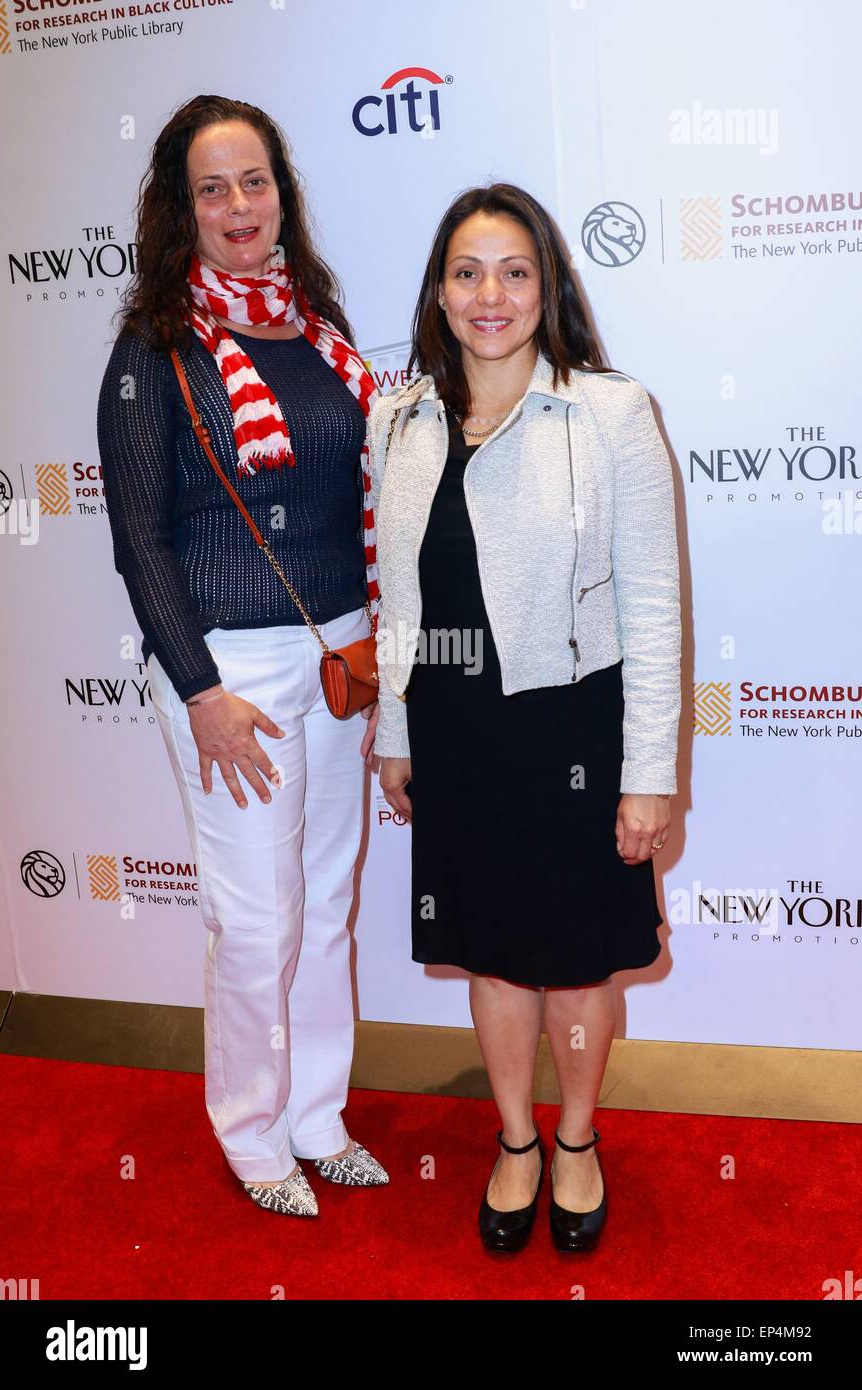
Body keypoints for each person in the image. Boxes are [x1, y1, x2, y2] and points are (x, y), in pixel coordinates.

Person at [368, 184, 681, 1253]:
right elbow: (398, 601)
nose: (488, 294)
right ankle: (512, 1139)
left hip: (572, 734)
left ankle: (578, 1138)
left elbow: (650, 602)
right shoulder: (399, 418)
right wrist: (397, 732)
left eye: (512, 271)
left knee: (578, 961)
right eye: (465, 272)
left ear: (546, 287)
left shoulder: (608, 410)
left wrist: (647, 772)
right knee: (491, 954)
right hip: (456, 728)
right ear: (438, 292)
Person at [96, 94, 388, 1218]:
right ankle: (253, 1132)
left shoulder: (316, 329)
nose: (236, 206)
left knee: (323, 902)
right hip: (228, 672)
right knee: (255, 915)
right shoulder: (153, 348)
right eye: (209, 188)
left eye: (253, 181)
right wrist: (200, 688)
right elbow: (139, 536)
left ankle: (319, 1115)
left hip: (339, 660)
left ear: (282, 193)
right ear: (180, 208)